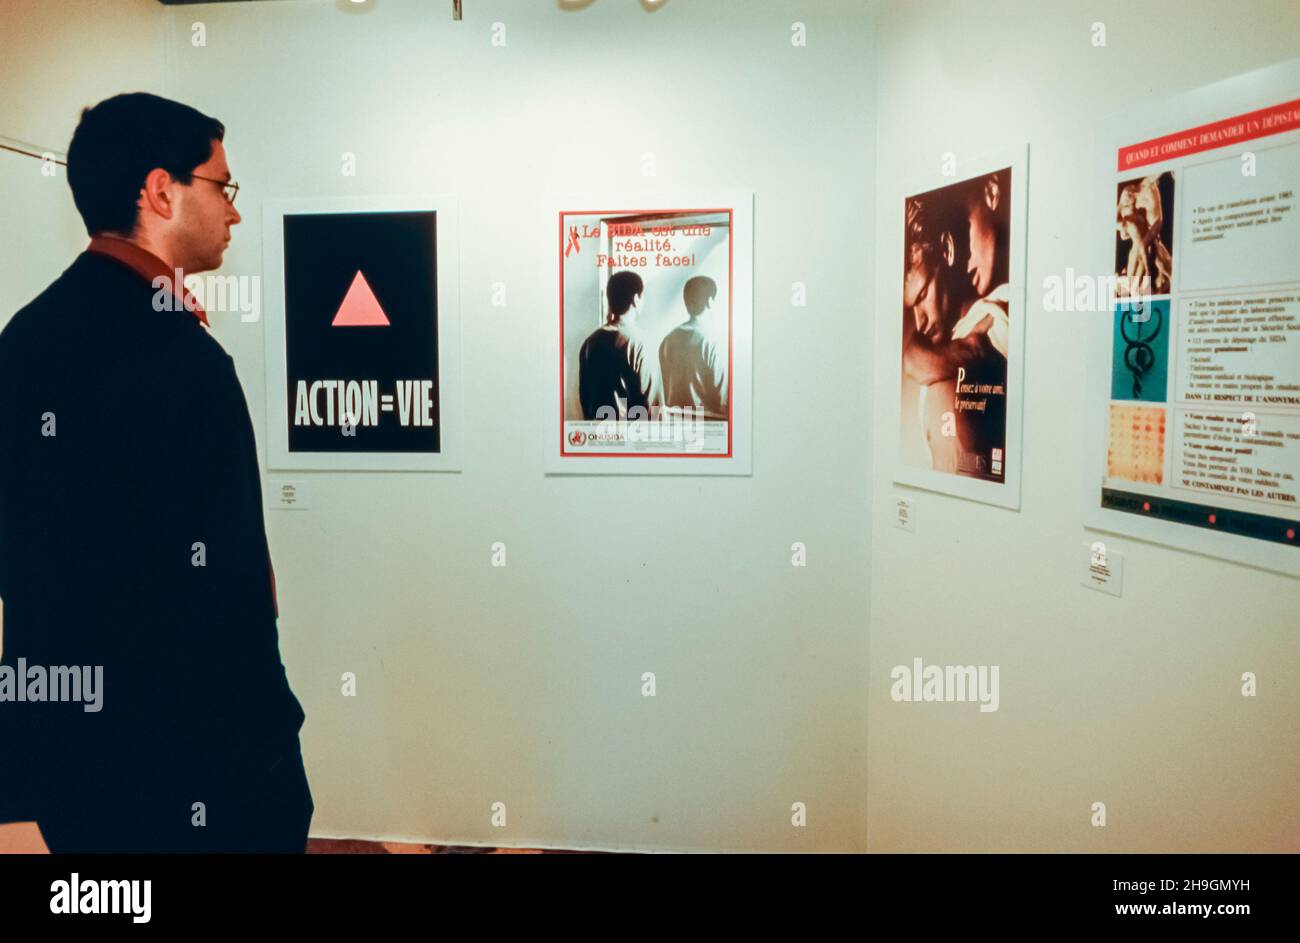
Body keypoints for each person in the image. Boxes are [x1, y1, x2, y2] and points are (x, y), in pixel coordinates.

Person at [0, 93, 311, 852]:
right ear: (161, 190)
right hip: (202, 767)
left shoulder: (27, 336)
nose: (234, 213)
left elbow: (28, 564)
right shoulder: (183, 359)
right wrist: (273, 739)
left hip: (80, 768)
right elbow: (228, 584)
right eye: (222, 186)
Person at [577, 270, 657, 420]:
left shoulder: (590, 342)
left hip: (598, 435)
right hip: (632, 436)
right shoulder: (641, 342)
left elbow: (585, 397)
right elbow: (652, 405)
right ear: (636, 299)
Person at [657, 276, 727, 421]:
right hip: (708, 425)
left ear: (686, 302)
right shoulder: (712, 340)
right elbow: (722, 398)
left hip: (674, 423)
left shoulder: (668, 340)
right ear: (710, 301)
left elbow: (662, 390)